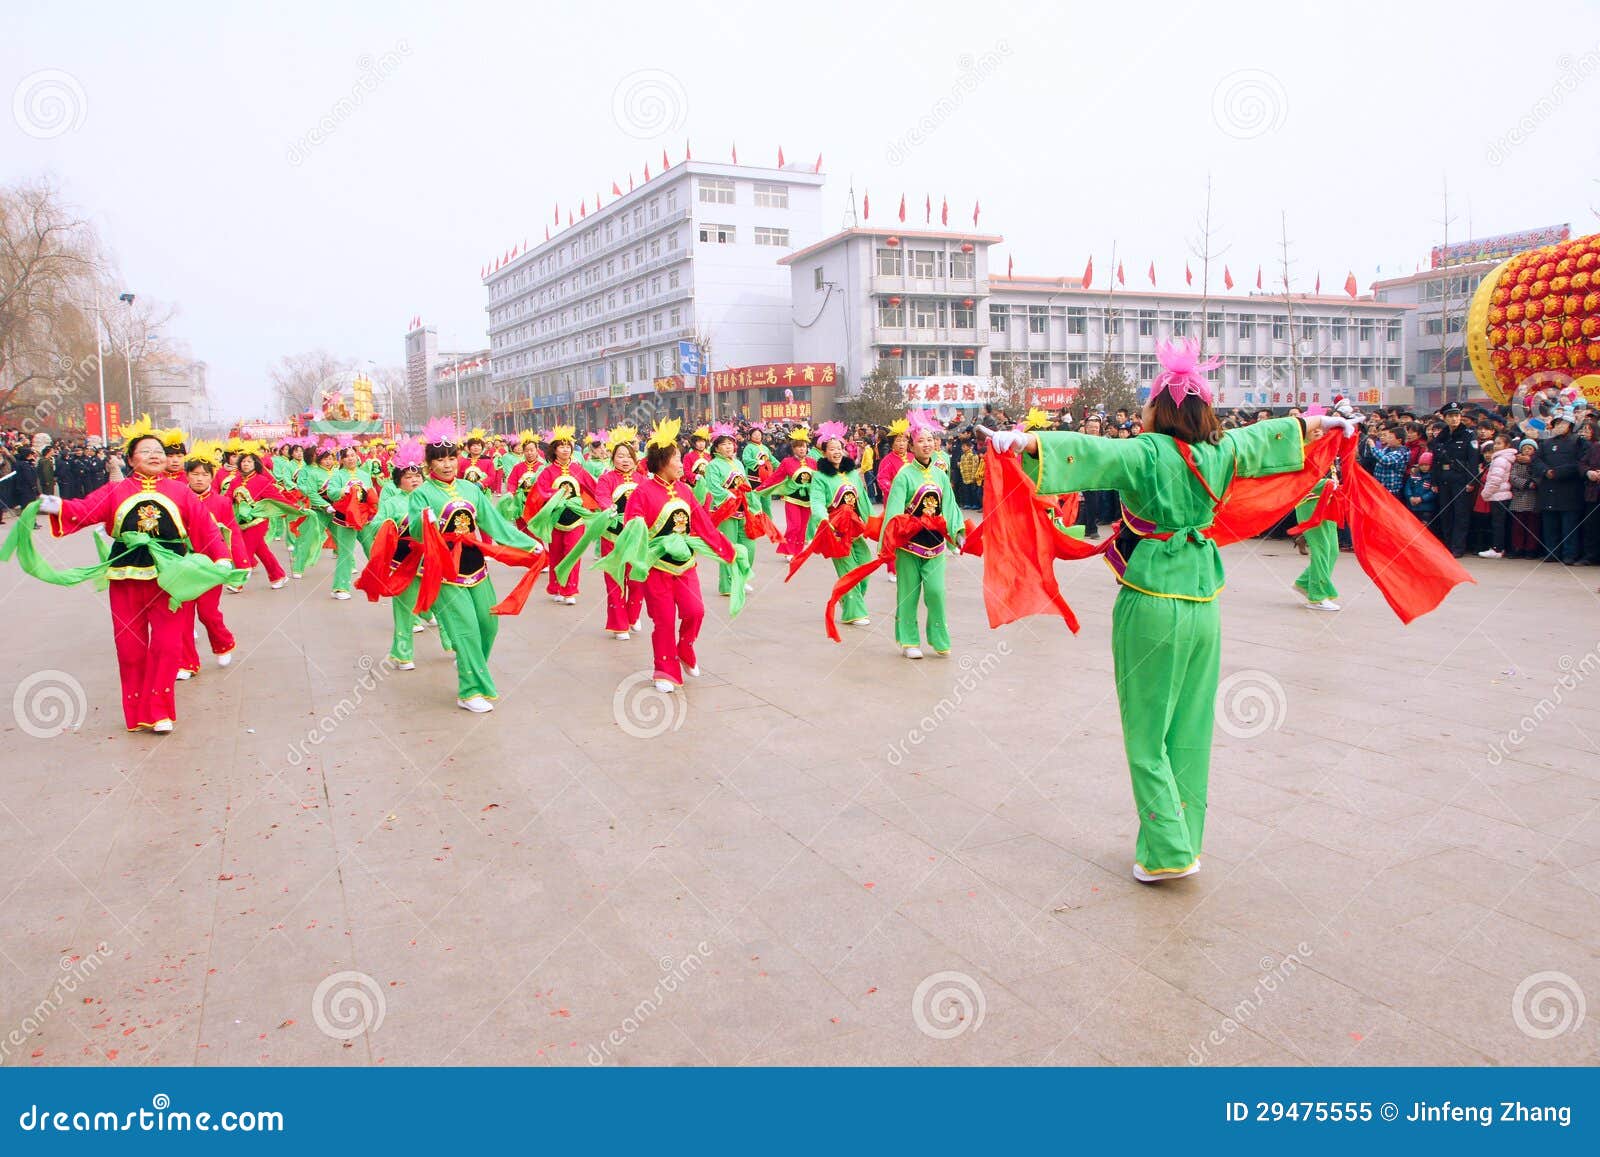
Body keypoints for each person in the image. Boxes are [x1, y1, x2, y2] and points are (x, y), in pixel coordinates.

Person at [983, 339, 1359, 882]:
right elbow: (1273, 435)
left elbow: (1092, 454)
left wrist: (1024, 441)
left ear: (1157, 408)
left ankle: (1167, 849)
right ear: (1204, 408)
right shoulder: (1223, 451)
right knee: (1190, 728)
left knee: (1145, 730)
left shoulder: (1145, 451)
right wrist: (1324, 424)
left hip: (1152, 598)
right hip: (1205, 601)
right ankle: (1187, 840)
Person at [1, 418, 243, 733]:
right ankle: (138, 711)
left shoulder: (181, 493)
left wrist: (222, 559)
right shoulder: (116, 491)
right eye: (146, 451)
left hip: (170, 579)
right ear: (131, 460)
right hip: (126, 578)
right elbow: (83, 509)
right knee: (130, 648)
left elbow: (206, 529)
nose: (155, 456)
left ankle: (159, 711)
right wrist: (49, 503)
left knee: (168, 646)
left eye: (158, 451)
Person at [407, 419, 545, 712]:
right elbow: (416, 532)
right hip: (444, 569)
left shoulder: (470, 489)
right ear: (429, 464)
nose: (446, 465)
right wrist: (425, 520)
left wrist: (526, 543)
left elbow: (492, 523)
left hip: (476, 565)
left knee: (488, 624)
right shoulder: (422, 493)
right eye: (439, 460)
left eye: (450, 458)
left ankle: (472, 666)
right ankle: (469, 690)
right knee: (467, 628)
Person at [603, 419, 738, 693]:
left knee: (695, 611)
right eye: (677, 458)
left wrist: (728, 552)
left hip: (685, 566)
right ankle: (664, 670)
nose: (681, 464)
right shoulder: (642, 492)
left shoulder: (685, 491)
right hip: (657, 568)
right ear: (663, 461)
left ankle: (685, 647)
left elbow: (702, 524)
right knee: (663, 620)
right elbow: (633, 527)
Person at [355, 440, 454, 671]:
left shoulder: (434, 495)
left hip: (434, 559)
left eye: (417, 475)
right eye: (408, 477)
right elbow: (376, 526)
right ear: (399, 480)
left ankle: (455, 645)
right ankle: (403, 653)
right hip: (405, 561)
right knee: (404, 608)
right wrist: (396, 524)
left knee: (446, 605)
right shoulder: (392, 502)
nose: (415, 479)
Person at [882, 411, 964, 659]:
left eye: (930, 440)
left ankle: (939, 638)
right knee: (909, 594)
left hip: (936, 545)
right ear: (911, 445)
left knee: (937, 592)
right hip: (909, 546)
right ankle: (909, 641)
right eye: (920, 441)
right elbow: (894, 512)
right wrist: (890, 540)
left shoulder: (940, 474)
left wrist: (957, 533)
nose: (927, 444)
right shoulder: (904, 475)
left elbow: (949, 506)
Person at [800, 421, 874, 628]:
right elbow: (816, 501)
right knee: (848, 570)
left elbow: (863, 500)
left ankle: (846, 597)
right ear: (824, 452)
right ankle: (854, 612)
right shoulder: (820, 477)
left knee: (865, 565)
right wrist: (824, 521)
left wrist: (870, 523)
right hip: (837, 531)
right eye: (831, 449)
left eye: (839, 448)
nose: (836, 452)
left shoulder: (852, 474)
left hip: (856, 530)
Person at [176, 442, 238, 676]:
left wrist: (237, 563)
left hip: (212, 567)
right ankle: (186, 663)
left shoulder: (221, 503)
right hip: (182, 567)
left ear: (212, 477)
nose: (199, 479)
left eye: (204, 475)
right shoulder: (176, 500)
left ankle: (222, 643)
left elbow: (232, 533)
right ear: (187, 476)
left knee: (208, 613)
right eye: (194, 474)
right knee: (182, 616)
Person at [530, 425, 597, 604]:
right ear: (554, 449)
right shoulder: (548, 471)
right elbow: (541, 491)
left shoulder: (578, 469)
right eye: (561, 446)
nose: (566, 449)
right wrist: (557, 496)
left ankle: (570, 590)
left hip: (576, 519)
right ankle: (557, 587)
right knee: (557, 554)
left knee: (572, 554)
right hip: (555, 519)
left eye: (568, 446)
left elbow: (594, 488)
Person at [1430, 402, 1479, 556]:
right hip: (1444, 479)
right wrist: (1434, 481)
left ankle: (1458, 547)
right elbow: (1435, 460)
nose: (1454, 419)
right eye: (1450, 416)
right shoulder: (1442, 436)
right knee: (1446, 513)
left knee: (1460, 514)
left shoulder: (1469, 435)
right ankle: (1447, 544)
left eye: (1456, 415)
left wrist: (1472, 481)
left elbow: (1473, 460)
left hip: (1461, 479)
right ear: (1444, 418)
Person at [1536, 409, 1585, 564]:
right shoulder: (1546, 443)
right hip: (1548, 488)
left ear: (1570, 425)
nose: (1559, 426)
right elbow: (1536, 460)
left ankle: (1569, 554)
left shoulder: (1578, 442)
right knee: (1550, 525)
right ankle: (1551, 552)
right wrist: (1545, 471)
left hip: (1569, 489)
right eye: (1556, 423)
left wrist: (1557, 472)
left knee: (1569, 526)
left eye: (1562, 423)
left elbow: (1579, 463)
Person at [1477, 433, 1516, 559]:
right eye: (1495, 443)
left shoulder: (1500, 459)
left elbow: (1495, 480)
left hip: (1498, 494)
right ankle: (1501, 547)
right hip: (1502, 494)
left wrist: (1486, 493)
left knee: (1498, 524)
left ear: (1507, 445)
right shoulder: (1505, 458)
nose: (1496, 446)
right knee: (1501, 523)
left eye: (1499, 443)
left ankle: (1497, 548)